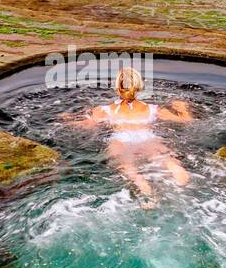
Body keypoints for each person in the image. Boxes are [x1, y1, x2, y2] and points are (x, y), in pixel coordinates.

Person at [69, 67, 193, 206]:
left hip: (121, 140)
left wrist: (68, 118)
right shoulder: (154, 109)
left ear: (118, 88)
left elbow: (86, 125)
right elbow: (186, 121)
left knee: (126, 167)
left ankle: (144, 188)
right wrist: (182, 107)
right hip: (148, 138)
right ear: (139, 87)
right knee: (168, 161)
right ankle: (180, 185)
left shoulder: (104, 110)